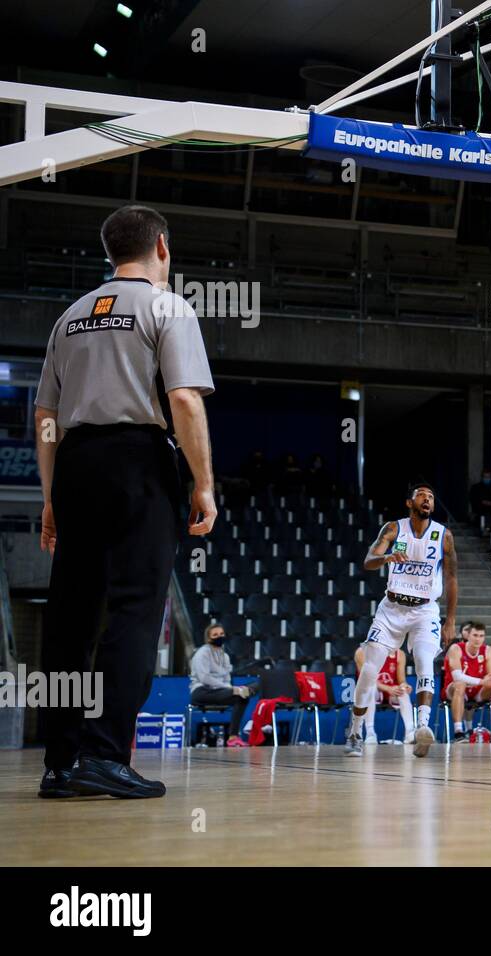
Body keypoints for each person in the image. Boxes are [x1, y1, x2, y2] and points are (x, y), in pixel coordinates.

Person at [35, 204, 216, 800]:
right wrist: (204, 484)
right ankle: (106, 754)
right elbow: (185, 401)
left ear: (112, 252)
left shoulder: (70, 317)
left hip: (76, 463)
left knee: (68, 617)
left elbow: (45, 418)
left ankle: (60, 763)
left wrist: (50, 497)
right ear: (161, 247)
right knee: (136, 610)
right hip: (139, 460)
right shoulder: (168, 306)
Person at [345, 482, 458, 758]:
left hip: (425, 610)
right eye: (421, 495)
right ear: (410, 503)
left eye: (431, 496)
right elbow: (368, 560)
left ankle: (422, 728)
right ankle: (356, 731)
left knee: (424, 659)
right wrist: (386, 557)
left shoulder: (444, 535)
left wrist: (451, 619)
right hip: (392, 608)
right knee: (370, 670)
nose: (427, 499)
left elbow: (452, 577)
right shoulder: (394, 529)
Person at [443, 621, 491, 741]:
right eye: (475, 635)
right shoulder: (456, 648)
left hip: (477, 690)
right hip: (455, 689)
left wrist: (490, 679)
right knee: (460, 685)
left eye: (481, 636)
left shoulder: (487, 650)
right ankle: (459, 732)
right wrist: (481, 681)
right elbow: (457, 676)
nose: (478, 639)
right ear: (468, 636)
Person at [189, 623, 259, 747]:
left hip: (222, 692)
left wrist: (231, 689)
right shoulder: (202, 653)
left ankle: (233, 737)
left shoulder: (225, 656)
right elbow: (204, 678)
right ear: (208, 638)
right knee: (238, 692)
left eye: (221, 634)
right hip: (202, 691)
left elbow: (227, 679)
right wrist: (231, 689)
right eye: (215, 635)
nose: (219, 637)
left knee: (243, 696)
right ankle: (243, 690)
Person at [355, 645, 412, 745]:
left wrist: (405, 685)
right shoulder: (362, 652)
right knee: (370, 687)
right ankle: (370, 732)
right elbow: (367, 679)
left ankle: (410, 732)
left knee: (403, 691)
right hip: (371, 691)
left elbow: (401, 679)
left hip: (390, 691)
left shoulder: (399, 654)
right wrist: (387, 688)